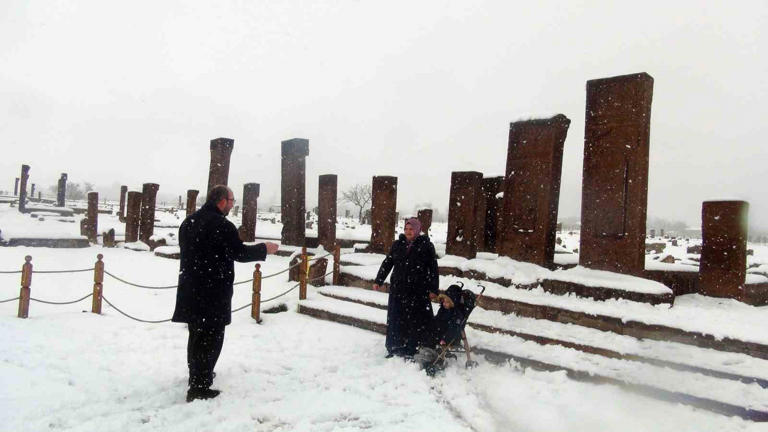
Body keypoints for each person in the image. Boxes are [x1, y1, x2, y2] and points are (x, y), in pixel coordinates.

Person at [172, 185, 279, 402]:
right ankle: (199, 388)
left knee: (197, 335)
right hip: (212, 291)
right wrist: (264, 249)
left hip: (192, 288)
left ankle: (198, 375)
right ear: (222, 200)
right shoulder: (222, 225)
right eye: (231, 201)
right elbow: (238, 253)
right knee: (210, 337)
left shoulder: (189, 222)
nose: (232, 205)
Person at [373, 217, 439, 357]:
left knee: (414, 319)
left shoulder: (426, 246)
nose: (408, 232)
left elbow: (433, 268)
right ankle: (395, 346)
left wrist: (433, 289)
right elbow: (388, 263)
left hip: (417, 290)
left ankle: (412, 347)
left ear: (418, 230)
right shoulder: (398, 244)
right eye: (406, 229)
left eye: (411, 229)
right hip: (398, 289)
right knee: (397, 318)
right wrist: (379, 280)